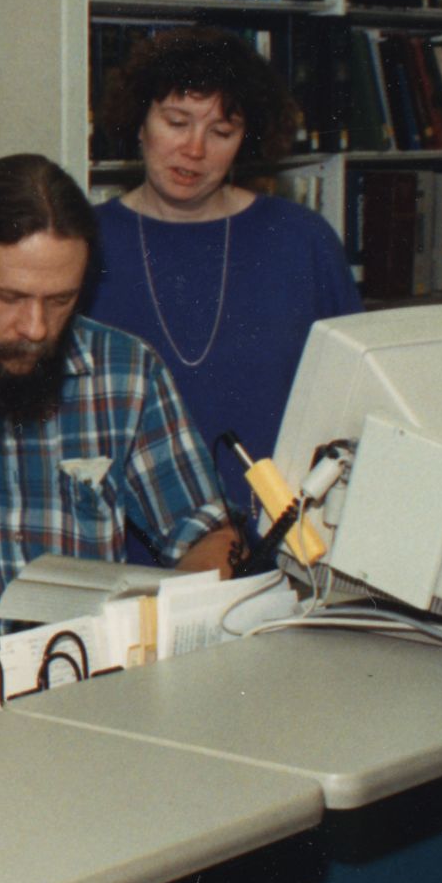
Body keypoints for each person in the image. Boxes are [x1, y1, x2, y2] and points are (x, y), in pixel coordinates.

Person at [0, 154, 238, 669]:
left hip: (83, 691)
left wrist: (186, 607)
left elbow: (207, 535)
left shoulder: (126, 372)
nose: (36, 328)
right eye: (9, 297)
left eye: (61, 300)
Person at [87, 26, 362, 522]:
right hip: (124, 537)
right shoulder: (86, 244)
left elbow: (356, 403)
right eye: (176, 121)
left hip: (280, 535)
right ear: (139, 122)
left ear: (245, 141)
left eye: (221, 132)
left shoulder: (303, 240)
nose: (195, 150)